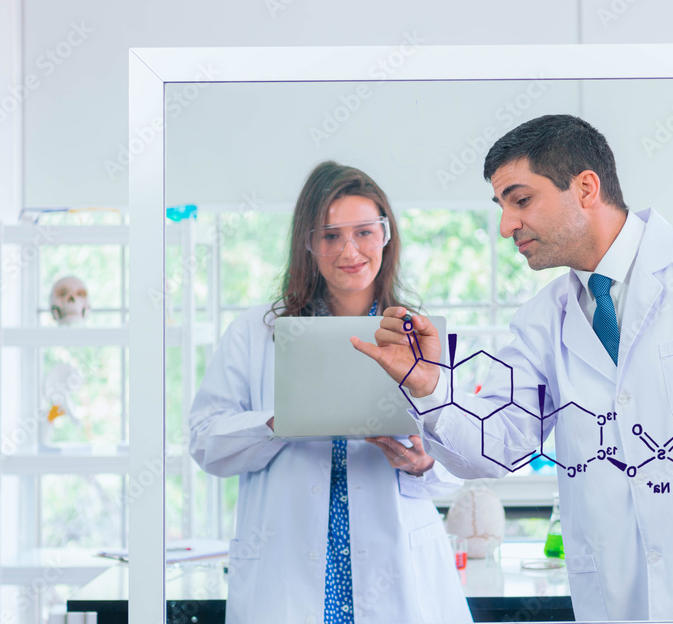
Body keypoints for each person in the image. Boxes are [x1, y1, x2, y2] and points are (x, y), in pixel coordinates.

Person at [353, 115, 673, 622]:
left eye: (521, 200)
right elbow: (498, 448)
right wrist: (431, 385)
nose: (506, 226)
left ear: (586, 188)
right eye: (501, 206)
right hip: (619, 600)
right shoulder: (542, 321)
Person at [189, 161, 472, 624]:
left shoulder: (419, 334)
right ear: (308, 244)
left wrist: (425, 463)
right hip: (286, 579)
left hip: (397, 573)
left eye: (364, 232)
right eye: (330, 236)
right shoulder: (255, 332)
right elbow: (205, 444)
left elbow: (460, 461)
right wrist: (277, 424)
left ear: (386, 235)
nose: (349, 251)